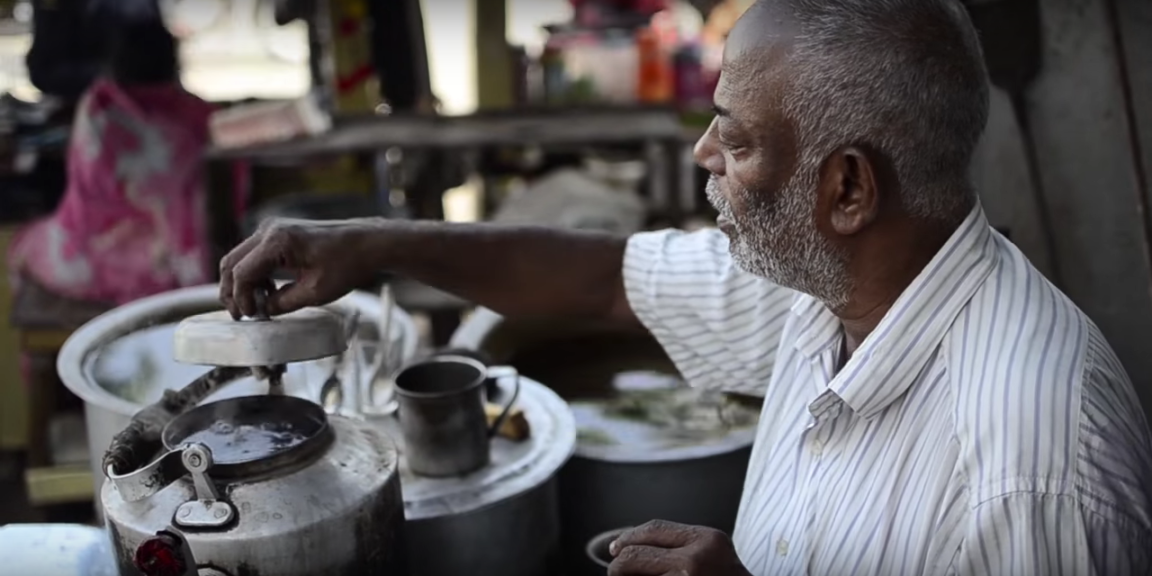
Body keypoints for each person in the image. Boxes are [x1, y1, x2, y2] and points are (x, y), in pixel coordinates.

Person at [219, 0, 1152, 574]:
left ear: (848, 189)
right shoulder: (832, 287)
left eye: (737, 139)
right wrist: (364, 243)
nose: (703, 153)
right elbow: (599, 284)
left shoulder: (1030, 475)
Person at [8, 14, 217, 306]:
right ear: (172, 61)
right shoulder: (198, 116)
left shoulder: (99, 109)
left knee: (25, 245)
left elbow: (90, 189)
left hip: (88, 257)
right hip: (181, 264)